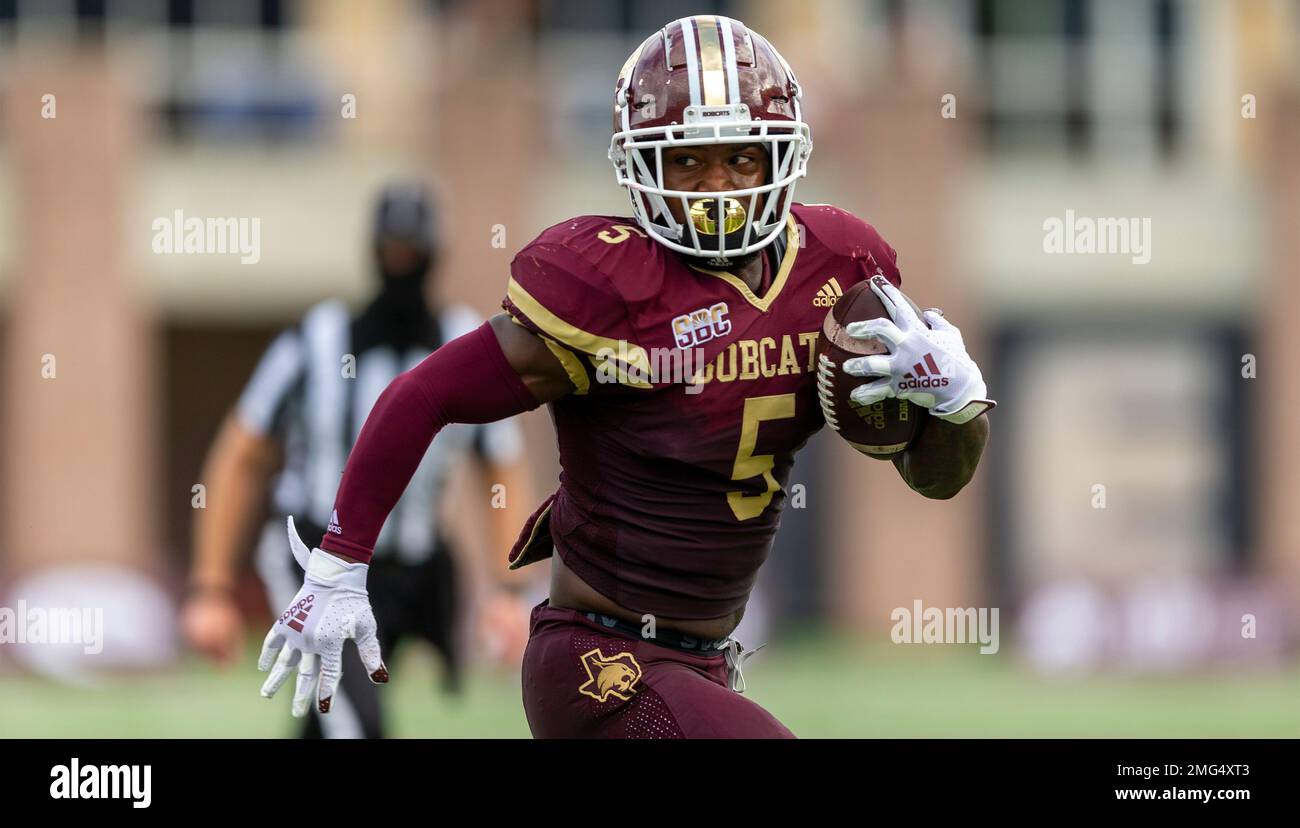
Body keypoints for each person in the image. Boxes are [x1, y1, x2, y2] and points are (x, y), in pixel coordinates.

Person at [256, 16, 994, 738]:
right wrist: (339, 563)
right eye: (688, 162)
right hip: (601, 660)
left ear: (782, 159)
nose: (717, 187)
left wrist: (961, 406)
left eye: (741, 158)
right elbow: (424, 393)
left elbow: (935, 478)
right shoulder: (610, 283)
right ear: (642, 166)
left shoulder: (838, 266)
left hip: (704, 666)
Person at [185, 181, 531, 738]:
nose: (402, 265)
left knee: (330, 718)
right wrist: (211, 587)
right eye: (392, 251)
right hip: (313, 559)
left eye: (411, 253)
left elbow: (501, 464)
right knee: (353, 722)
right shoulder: (314, 339)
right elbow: (240, 453)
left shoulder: (462, 342)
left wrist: (508, 589)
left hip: (406, 572)